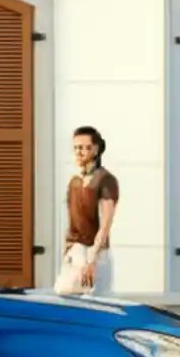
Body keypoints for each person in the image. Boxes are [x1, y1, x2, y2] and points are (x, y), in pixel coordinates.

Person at [55, 126, 118, 296]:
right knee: (64, 299)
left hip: (93, 252)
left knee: (96, 305)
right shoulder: (74, 181)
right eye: (76, 147)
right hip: (74, 252)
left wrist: (91, 260)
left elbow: (105, 224)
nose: (80, 152)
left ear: (96, 149)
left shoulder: (105, 180)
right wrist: (67, 250)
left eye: (85, 147)